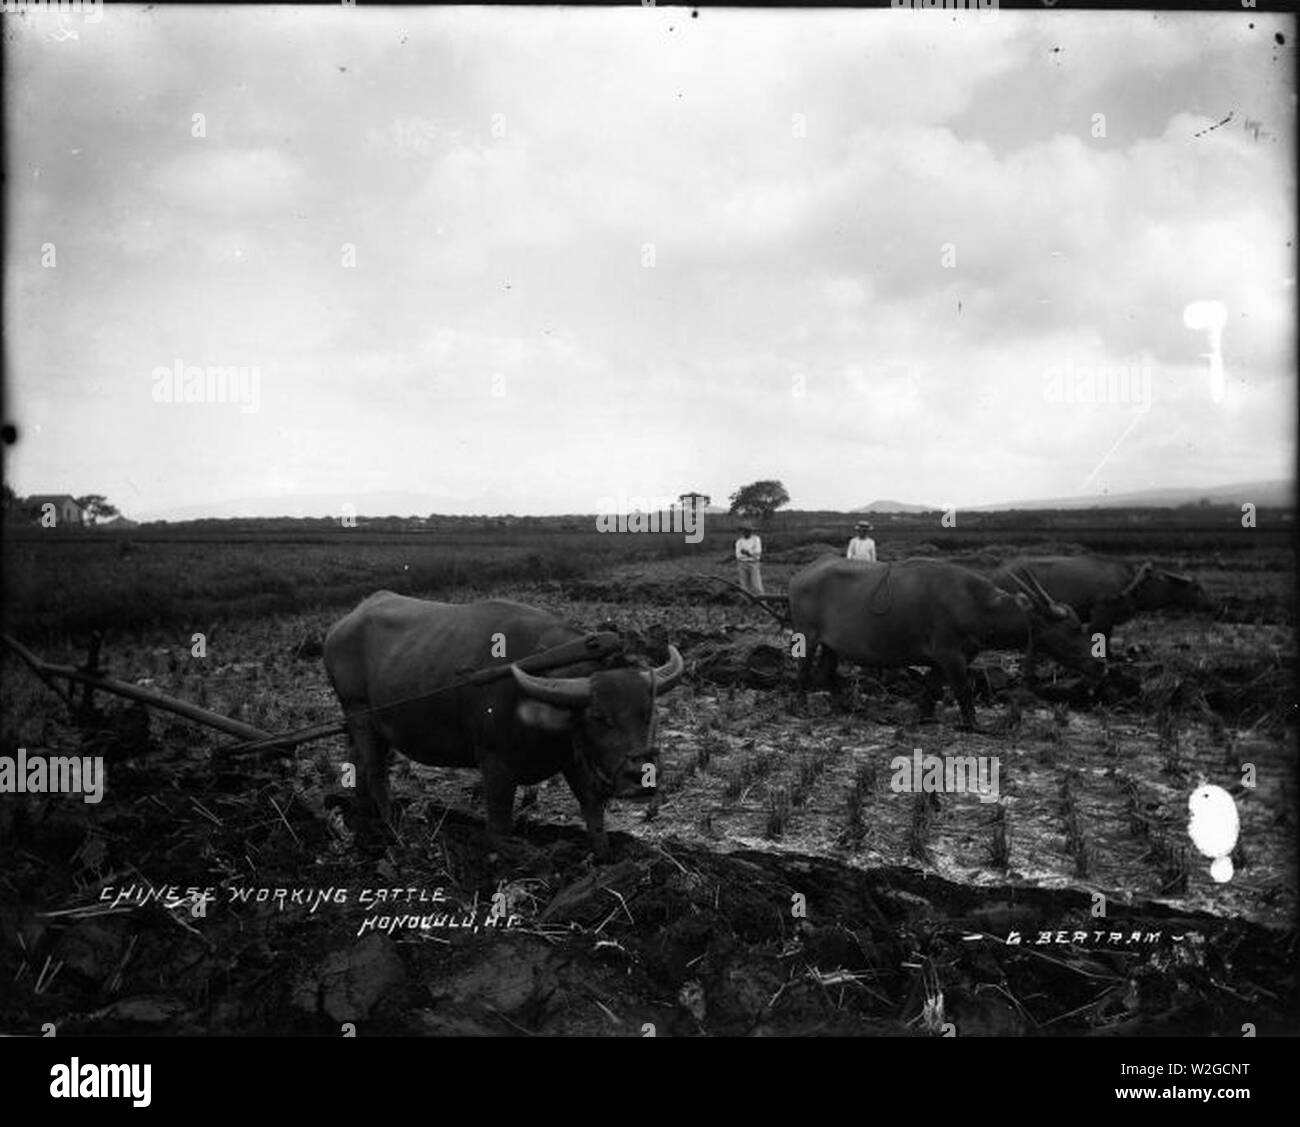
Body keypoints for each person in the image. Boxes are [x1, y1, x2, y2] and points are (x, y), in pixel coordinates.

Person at [735, 522, 764, 595]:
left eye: (747, 530)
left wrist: (747, 553)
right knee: (744, 586)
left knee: (756, 585)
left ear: (751, 531)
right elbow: (738, 555)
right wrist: (749, 554)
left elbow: (757, 552)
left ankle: (762, 602)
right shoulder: (739, 542)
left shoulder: (756, 539)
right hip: (742, 564)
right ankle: (747, 603)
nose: (745, 532)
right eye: (744, 530)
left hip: (753, 563)